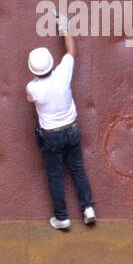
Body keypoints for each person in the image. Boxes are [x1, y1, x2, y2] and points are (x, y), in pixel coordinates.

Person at [26, 21, 96, 230]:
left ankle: (62, 217)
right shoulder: (63, 73)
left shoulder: (32, 88)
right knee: (78, 170)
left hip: (51, 136)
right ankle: (88, 208)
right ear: (50, 62)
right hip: (72, 129)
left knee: (55, 176)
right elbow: (71, 51)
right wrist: (64, 27)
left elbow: (32, 99)